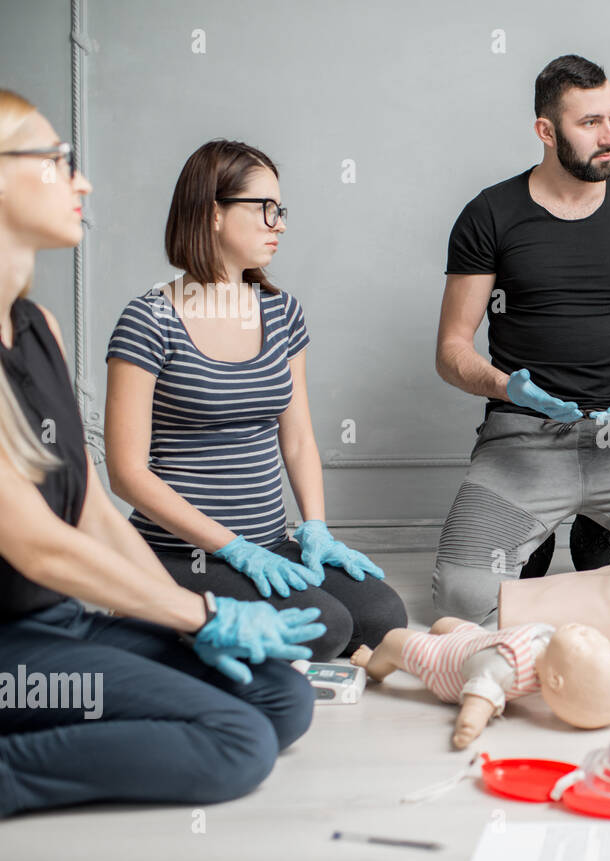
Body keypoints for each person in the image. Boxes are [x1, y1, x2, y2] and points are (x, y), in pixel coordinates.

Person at [0, 90, 321, 818]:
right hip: (11, 648)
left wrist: (187, 618)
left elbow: (86, 509)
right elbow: (39, 546)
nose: (81, 182)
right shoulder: (151, 319)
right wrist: (203, 610)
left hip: (62, 624)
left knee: (284, 696)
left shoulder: (36, 326)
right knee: (239, 742)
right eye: (56, 162)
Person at [432, 54, 610, 624]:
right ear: (546, 131)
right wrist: (507, 387)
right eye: (590, 123)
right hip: (524, 438)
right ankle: (556, 531)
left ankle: (589, 527)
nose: (609, 136)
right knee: (462, 603)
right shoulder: (489, 214)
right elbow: (451, 349)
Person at [104, 139, 406, 660]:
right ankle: (150, 610)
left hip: (268, 544)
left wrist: (314, 528)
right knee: (328, 628)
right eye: (264, 208)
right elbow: (126, 474)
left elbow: (298, 436)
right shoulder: (149, 320)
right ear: (212, 213)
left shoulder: (283, 311)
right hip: (180, 550)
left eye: (280, 209)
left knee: (382, 616)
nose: (280, 224)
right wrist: (231, 548)